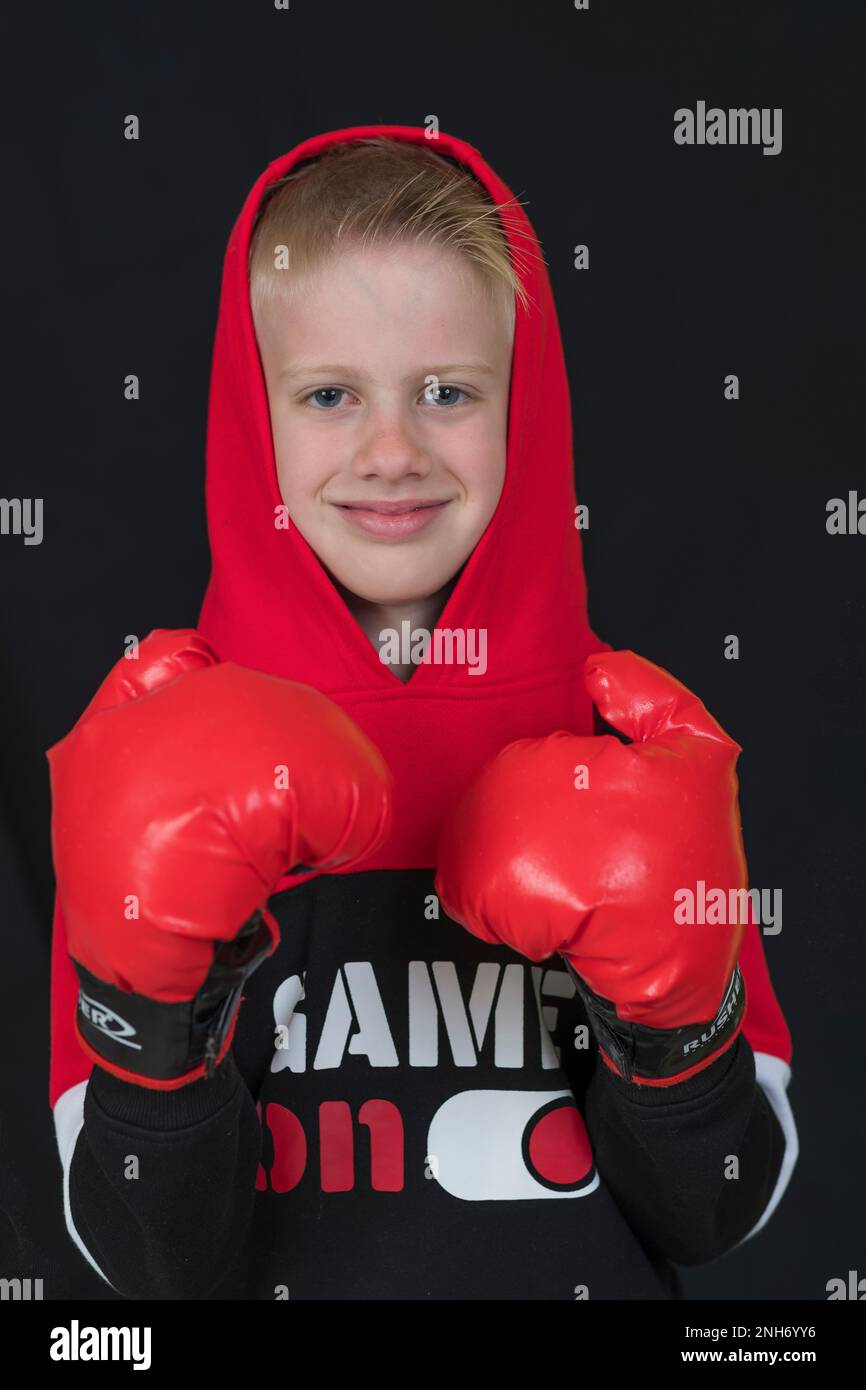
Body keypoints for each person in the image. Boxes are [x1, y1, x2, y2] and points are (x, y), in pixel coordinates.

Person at [47, 125, 797, 1300]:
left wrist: (678, 1036)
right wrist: (151, 1036)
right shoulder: (159, 741)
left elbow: (718, 1212)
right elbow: (143, 1256)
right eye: (330, 394)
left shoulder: (636, 738)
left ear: (525, 407)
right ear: (255, 416)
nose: (390, 449)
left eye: (446, 392)